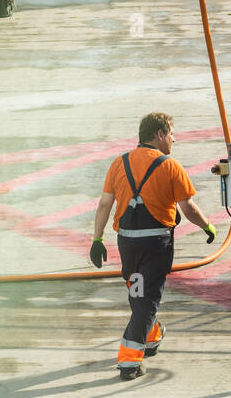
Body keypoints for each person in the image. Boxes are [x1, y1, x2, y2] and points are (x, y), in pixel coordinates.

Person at [90, 112, 217, 380]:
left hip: (128, 246)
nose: (174, 139)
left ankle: (152, 335)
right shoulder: (170, 166)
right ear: (159, 135)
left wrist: (97, 239)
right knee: (147, 302)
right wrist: (207, 226)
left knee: (137, 293)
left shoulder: (118, 163)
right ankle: (129, 361)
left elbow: (104, 204)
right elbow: (187, 208)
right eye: (171, 134)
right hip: (155, 246)